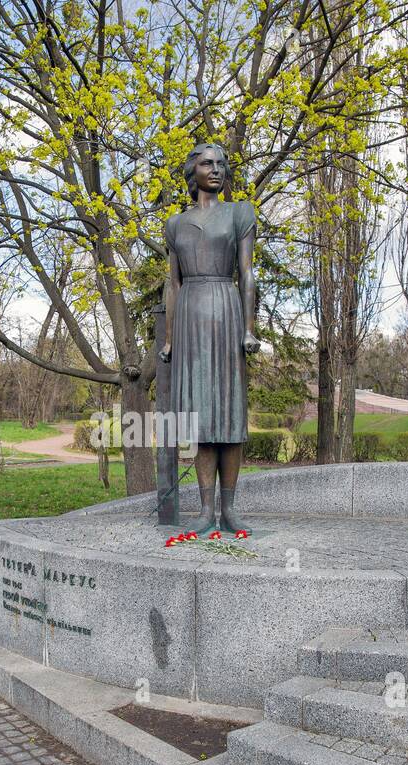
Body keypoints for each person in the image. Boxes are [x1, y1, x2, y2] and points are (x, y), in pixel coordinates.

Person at [160, 143, 260, 534]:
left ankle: (230, 509)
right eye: (206, 164)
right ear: (193, 171)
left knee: (230, 414)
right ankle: (205, 510)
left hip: (225, 308)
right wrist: (169, 339)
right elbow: (173, 282)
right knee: (201, 416)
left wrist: (249, 328)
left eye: (221, 164)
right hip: (189, 316)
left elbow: (247, 273)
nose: (215, 169)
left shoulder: (239, 214)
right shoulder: (175, 224)